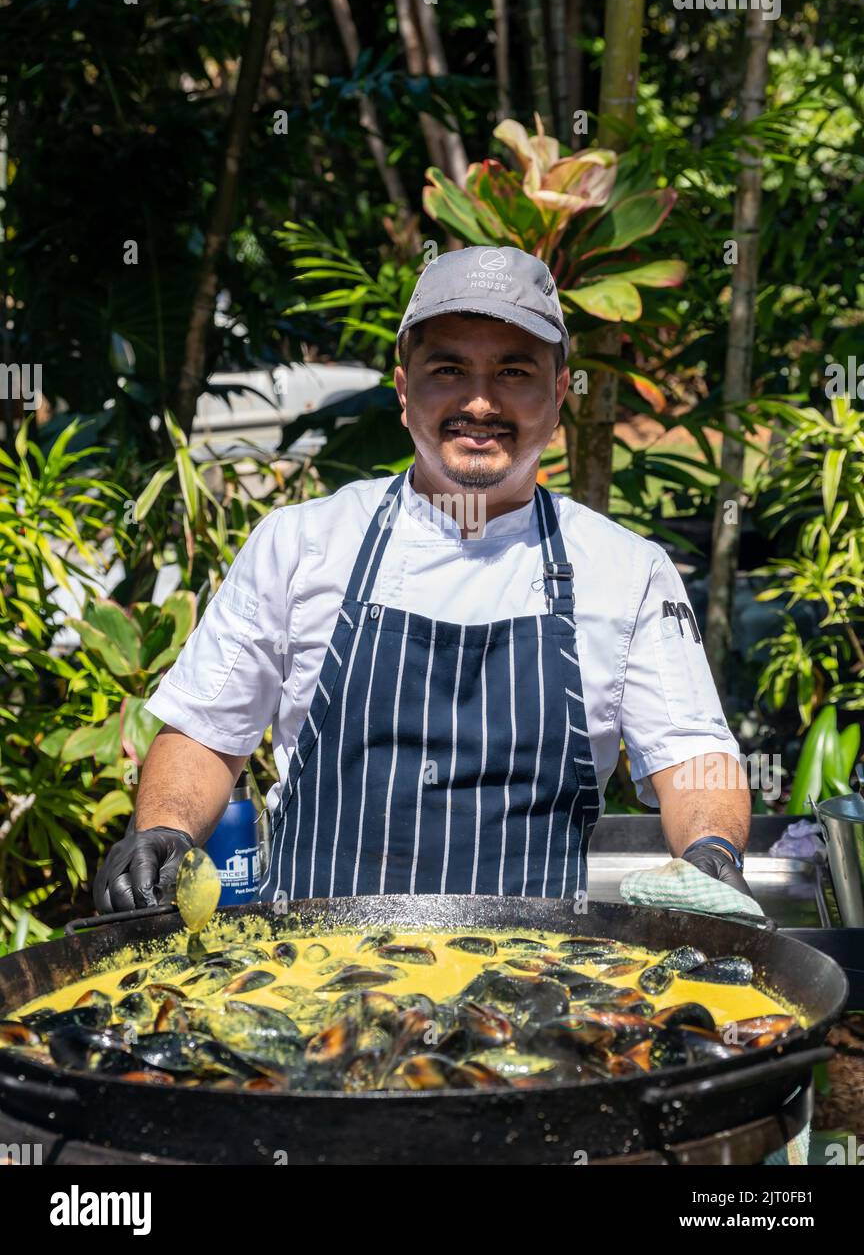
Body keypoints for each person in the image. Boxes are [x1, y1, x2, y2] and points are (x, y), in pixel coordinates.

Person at [94, 246, 753, 912]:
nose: (479, 401)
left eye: (513, 371)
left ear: (557, 395)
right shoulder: (301, 544)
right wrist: (164, 830)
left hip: (537, 987)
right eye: (448, 369)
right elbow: (207, 732)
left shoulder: (626, 570)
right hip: (313, 987)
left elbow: (691, 752)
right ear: (406, 390)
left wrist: (711, 850)